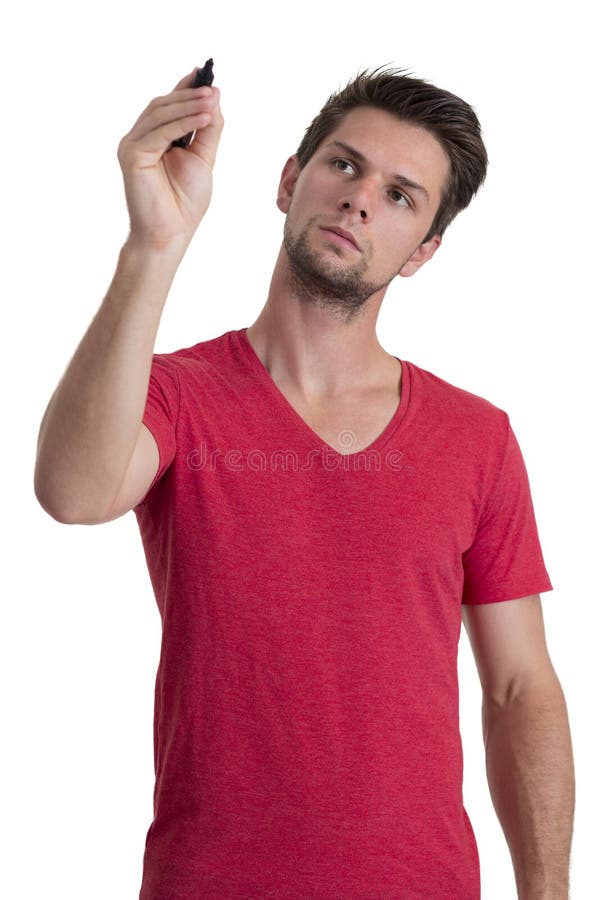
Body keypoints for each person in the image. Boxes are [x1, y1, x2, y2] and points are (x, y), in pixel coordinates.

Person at [34, 64, 575, 899]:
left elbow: (517, 686)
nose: (361, 198)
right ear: (290, 181)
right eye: (345, 164)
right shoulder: (176, 395)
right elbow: (73, 492)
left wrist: (548, 894)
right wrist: (154, 246)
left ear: (424, 250)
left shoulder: (478, 438)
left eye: (402, 196)